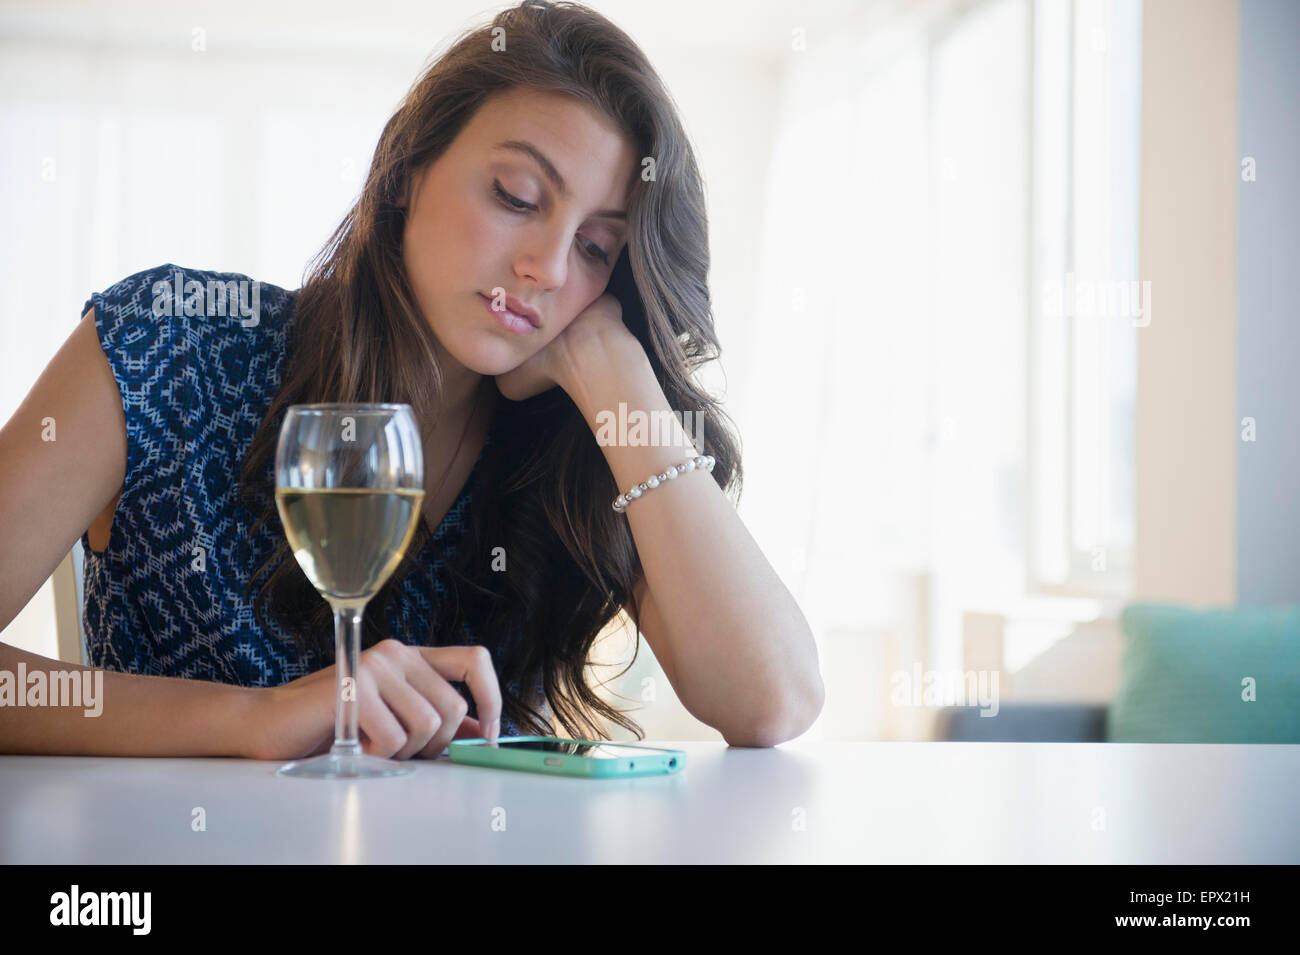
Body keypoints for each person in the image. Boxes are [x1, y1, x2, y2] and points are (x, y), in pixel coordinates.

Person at [0, 0, 823, 761]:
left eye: (597, 249)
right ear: (407, 171)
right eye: (517, 195)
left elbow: (772, 703)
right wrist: (253, 718)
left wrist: (618, 380)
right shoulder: (166, 347)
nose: (545, 267)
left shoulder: (569, 449)